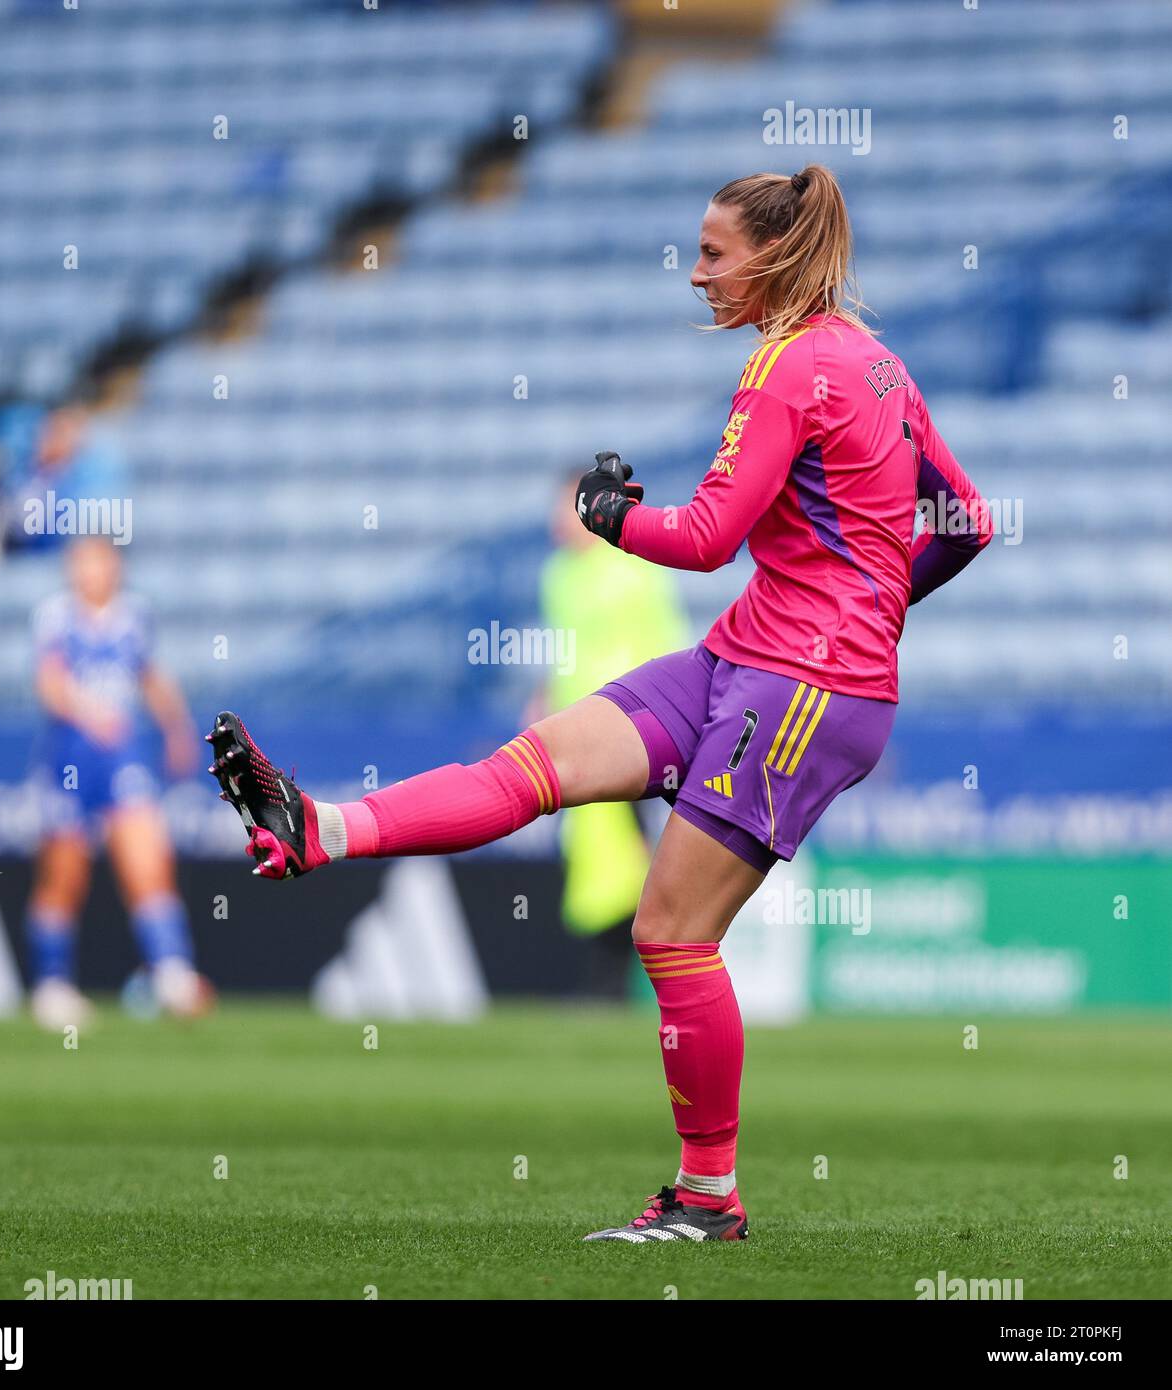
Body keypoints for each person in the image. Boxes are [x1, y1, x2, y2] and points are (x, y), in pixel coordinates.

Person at [208, 164, 993, 1242]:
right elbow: (968, 519)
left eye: (713, 253)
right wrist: (877, 601)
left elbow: (709, 536)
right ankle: (319, 826)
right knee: (536, 763)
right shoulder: (879, 363)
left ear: (769, 257)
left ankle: (707, 1196)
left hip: (804, 683)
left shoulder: (788, 366)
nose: (696, 273)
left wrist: (612, 515)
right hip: (749, 654)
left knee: (670, 932)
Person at [26, 536, 211, 1029]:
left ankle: (173, 974)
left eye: (96, 561)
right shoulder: (55, 616)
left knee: (147, 860)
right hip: (69, 761)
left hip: (122, 759)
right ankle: (52, 986)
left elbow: (149, 675)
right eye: (79, 563)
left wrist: (176, 727)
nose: (87, 572)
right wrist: (93, 713)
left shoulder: (135, 615)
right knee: (63, 876)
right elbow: (50, 686)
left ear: (115, 566)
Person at [534, 474, 690, 1000]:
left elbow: (663, 639)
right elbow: (566, 653)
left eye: (565, 506)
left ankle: (620, 983)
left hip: (633, 728)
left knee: (633, 850)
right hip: (574, 729)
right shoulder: (558, 576)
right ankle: (606, 982)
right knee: (596, 855)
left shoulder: (632, 563)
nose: (558, 518)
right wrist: (546, 696)